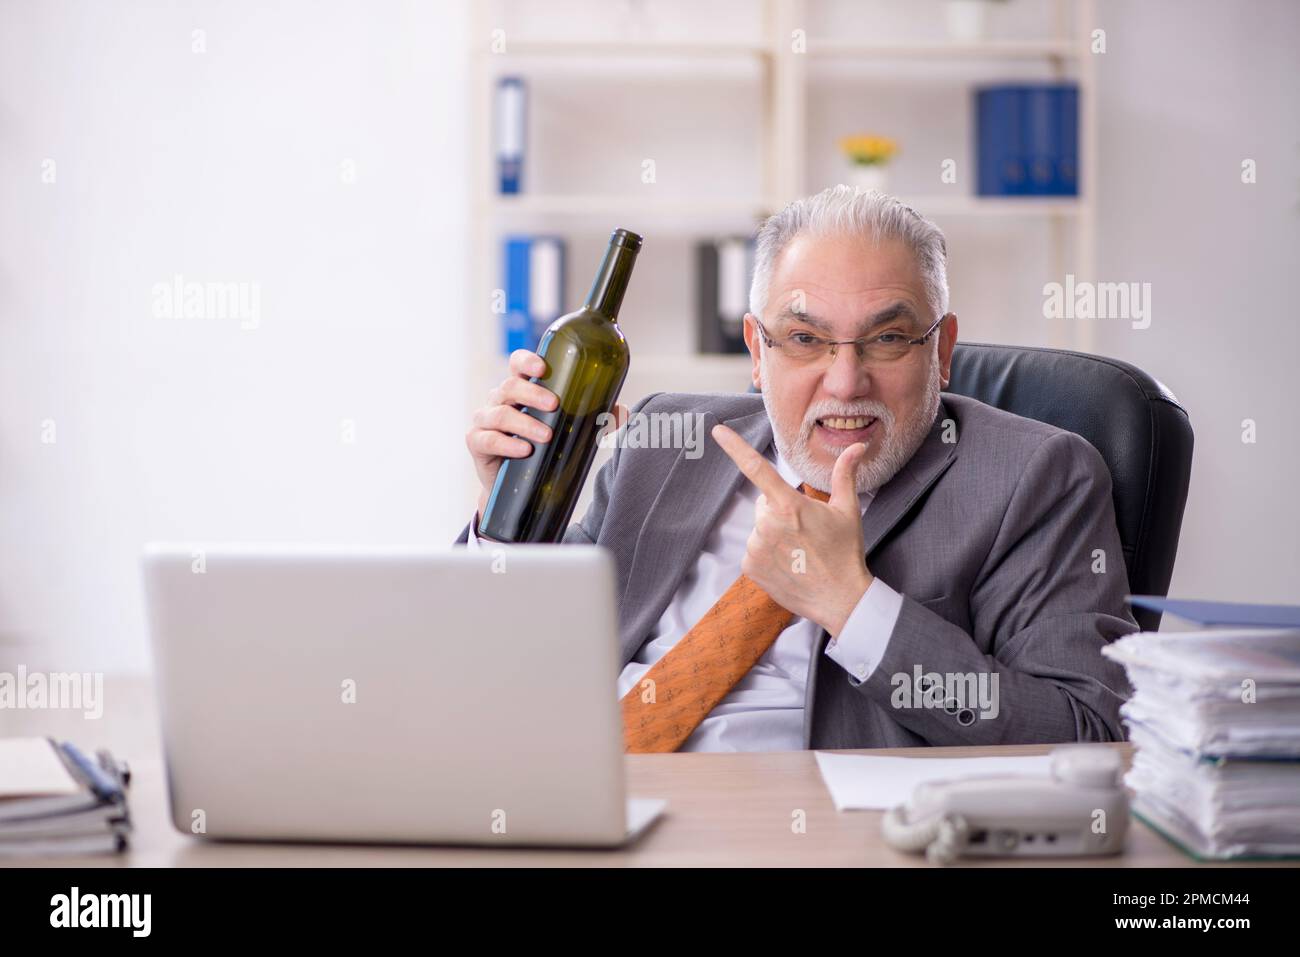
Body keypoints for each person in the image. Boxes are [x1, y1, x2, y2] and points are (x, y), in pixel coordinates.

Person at [461, 185, 1135, 752]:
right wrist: (505, 527)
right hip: (578, 792)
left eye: (889, 337)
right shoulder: (666, 439)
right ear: (757, 349)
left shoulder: (1039, 476)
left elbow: (1089, 730)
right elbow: (524, 656)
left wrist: (853, 605)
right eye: (806, 339)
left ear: (943, 347)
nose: (845, 382)